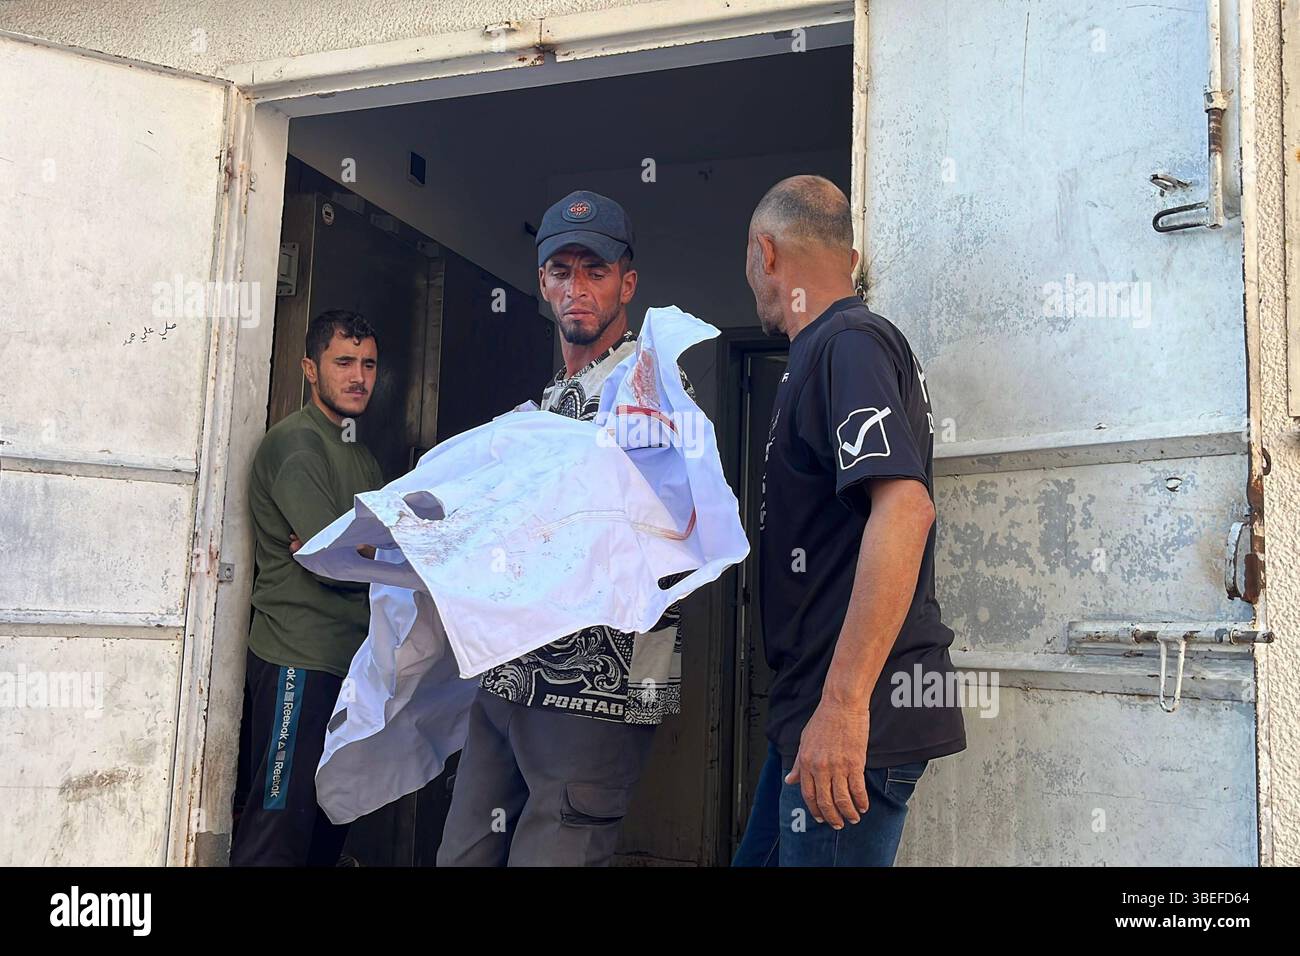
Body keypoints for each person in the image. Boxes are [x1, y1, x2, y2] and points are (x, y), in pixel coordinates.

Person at [436, 190, 692, 867]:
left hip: (594, 695)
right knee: (462, 856)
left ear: (626, 283)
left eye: (595, 271)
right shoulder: (551, 399)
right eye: (560, 271)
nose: (576, 289)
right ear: (543, 282)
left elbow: (674, 537)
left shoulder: (653, 389)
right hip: (509, 680)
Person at [732, 176, 966, 867]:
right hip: (809, 715)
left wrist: (843, 707)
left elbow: (904, 509)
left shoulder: (849, 343)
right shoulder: (826, 351)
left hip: (850, 719)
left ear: (764, 253)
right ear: (853, 258)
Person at [230, 310, 382, 866]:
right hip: (298, 656)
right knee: (277, 826)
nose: (358, 376)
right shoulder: (297, 445)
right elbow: (329, 561)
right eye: (343, 362)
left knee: (330, 822)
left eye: (368, 363)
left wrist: (363, 551)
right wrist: (358, 552)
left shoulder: (359, 452)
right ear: (310, 369)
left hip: (353, 663)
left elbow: (385, 550)